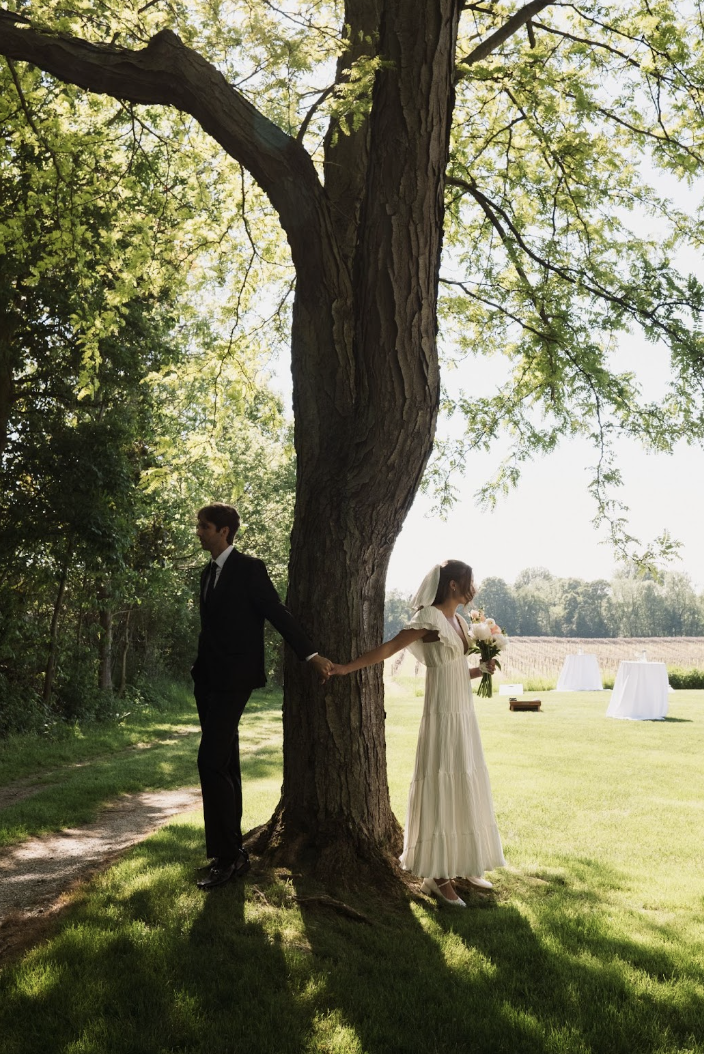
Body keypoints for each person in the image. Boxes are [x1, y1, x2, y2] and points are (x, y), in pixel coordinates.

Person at [330, 560, 505, 907]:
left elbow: (453, 667)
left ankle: (466, 861)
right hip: (442, 713)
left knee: (465, 779)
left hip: (463, 712)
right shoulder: (430, 618)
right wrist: (345, 668)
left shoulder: (458, 621)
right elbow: (389, 648)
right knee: (442, 780)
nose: (474, 589)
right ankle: (436, 876)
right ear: (453, 585)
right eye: (470, 583)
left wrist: (480, 668)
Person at [192, 502, 332, 890]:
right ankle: (233, 853)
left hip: (234, 680)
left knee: (209, 761)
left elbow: (277, 613)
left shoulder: (249, 569)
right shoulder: (206, 574)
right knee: (224, 763)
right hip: (206, 681)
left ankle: (225, 857)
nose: (198, 532)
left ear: (224, 531)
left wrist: (311, 655)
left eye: (204, 526)